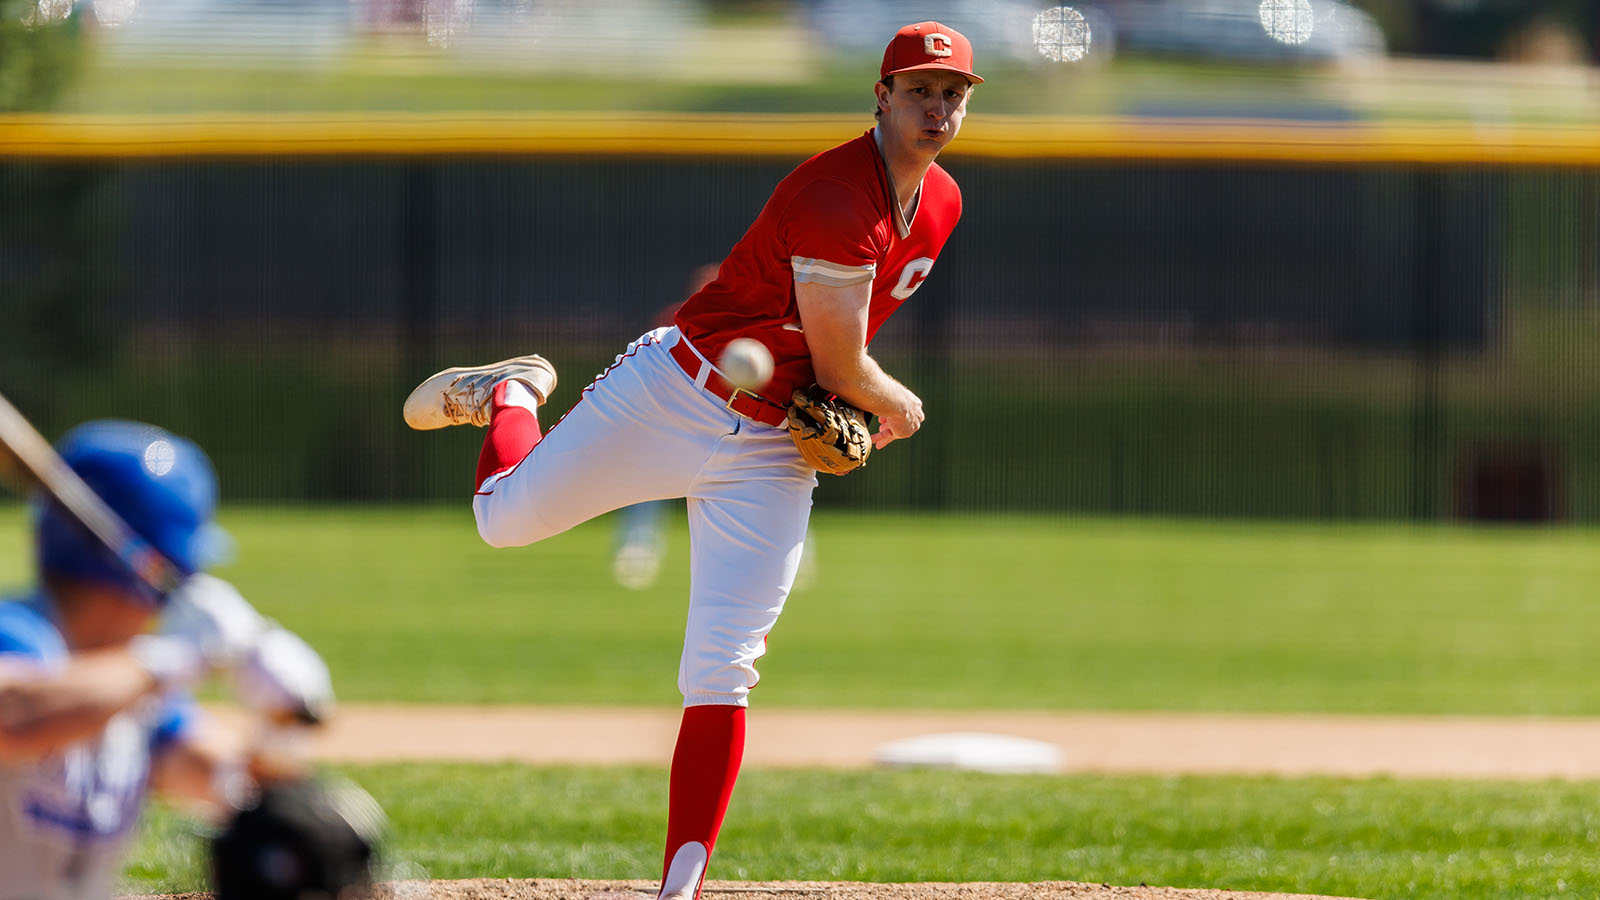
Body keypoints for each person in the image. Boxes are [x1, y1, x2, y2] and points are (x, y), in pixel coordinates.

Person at [403, 21, 979, 900]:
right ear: (882, 94)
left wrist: (846, 396)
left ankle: (683, 888)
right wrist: (890, 402)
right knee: (501, 521)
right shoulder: (836, 195)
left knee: (725, 662)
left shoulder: (942, 202)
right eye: (919, 90)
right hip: (674, 393)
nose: (937, 107)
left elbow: (832, 356)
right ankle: (511, 394)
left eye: (953, 92)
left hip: (772, 445)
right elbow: (839, 363)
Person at [0, 419, 335, 900]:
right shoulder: (17, 633)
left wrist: (283, 725)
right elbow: (13, 716)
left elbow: (228, 779)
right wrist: (174, 656)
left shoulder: (132, 697)